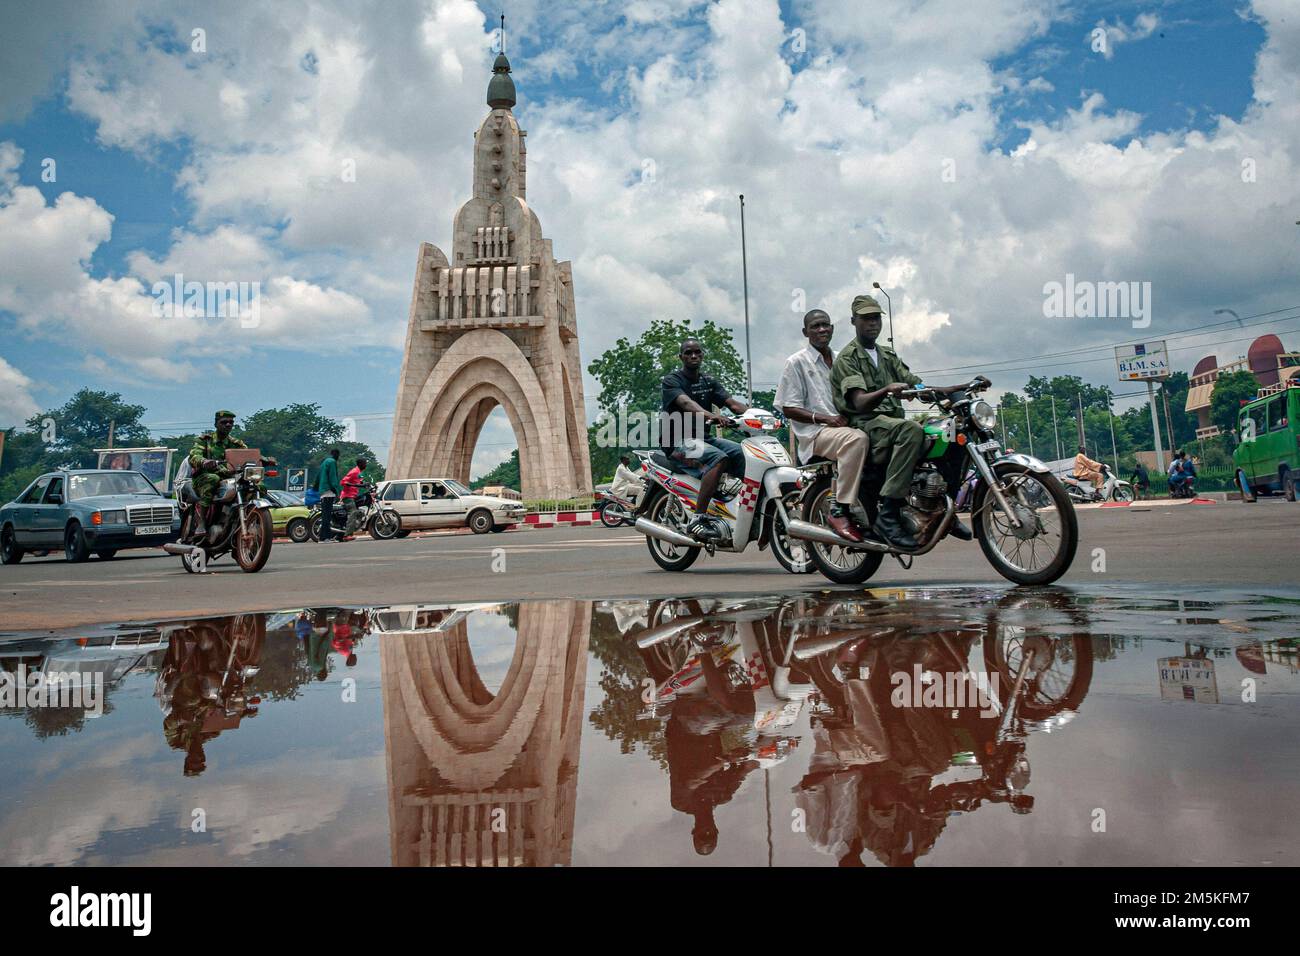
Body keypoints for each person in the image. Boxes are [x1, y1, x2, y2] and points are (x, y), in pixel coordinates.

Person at [830, 295, 968, 549]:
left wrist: (957, 388)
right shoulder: (848, 359)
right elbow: (859, 402)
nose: (872, 323)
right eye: (866, 318)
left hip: (890, 424)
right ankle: (889, 515)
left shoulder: (886, 355)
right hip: (866, 425)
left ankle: (943, 508)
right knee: (911, 431)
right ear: (854, 321)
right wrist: (886, 390)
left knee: (951, 433)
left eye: (876, 318)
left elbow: (917, 386)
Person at [775, 308, 870, 541]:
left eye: (825, 325)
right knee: (857, 440)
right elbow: (788, 407)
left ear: (833, 328)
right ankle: (840, 507)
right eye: (815, 326)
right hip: (817, 434)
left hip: (845, 427)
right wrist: (824, 418)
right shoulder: (796, 362)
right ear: (805, 332)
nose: (821, 330)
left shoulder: (843, 359)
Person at [660, 337, 749, 541]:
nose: (693, 355)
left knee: (744, 454)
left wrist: (759, 416)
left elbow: (732, 404)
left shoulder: (708, 381)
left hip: (704, 439)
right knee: (718, 458)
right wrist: (711, 415)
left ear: (702, 355)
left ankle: (743, 511)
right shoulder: (672, 381)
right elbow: (686, 403)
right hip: (677, 442)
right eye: (688, 353)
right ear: (680, 356)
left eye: (697, 352)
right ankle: (698, 519)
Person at [187, 410, 249, 542]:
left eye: (231, 422)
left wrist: (265, 459)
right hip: (204, 478)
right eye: (224, 422)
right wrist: (204, 461)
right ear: (216, 424)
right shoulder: (205, 440)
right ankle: (201, 523)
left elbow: (248, 455)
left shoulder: (236, 444)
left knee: (255, 484)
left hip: (228, 478)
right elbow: (194, 455)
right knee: (213, 479)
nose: (228, 425)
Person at [316, 449, 342, 542]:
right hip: (329, 491)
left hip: (323, 491)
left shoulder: (325, 462)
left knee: (326, 516)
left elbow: (318, 476)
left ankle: (326, 537)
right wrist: (337, 492)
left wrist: (316, 488)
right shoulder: (332, 462)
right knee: (327, 517)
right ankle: (324, 538)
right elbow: (333, 478)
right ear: (337, 455)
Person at [340, 457, 368, 539]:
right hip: (348, 496)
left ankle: (351, 530)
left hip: (353, 496)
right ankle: (347, 535)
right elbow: (343, 482)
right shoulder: (354, 471)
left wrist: (365, 484)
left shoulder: (359, 472)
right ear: (360, 464)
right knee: (353, 512)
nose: (366, 465)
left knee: (358, 512)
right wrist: (358, 485)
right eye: (365, 463)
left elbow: (358, 481)